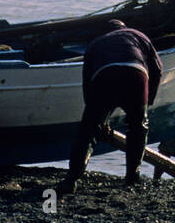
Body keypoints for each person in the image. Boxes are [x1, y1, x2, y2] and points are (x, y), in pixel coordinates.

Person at [58, 20, 162, 193]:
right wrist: (147, 102)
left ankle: (72, 179)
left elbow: (87, 82)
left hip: (104, 77)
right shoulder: (138, 35)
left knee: (87, 133)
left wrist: (97, 118)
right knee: (138, 127)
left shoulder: (95, 44)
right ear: (124, 28)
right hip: (135, 75)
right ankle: (132, 178)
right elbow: (157, 69)